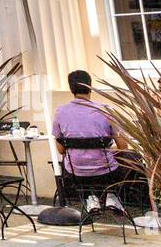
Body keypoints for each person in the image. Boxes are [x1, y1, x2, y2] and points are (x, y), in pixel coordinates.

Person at [51, 69, 130, 213]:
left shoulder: (60, 112)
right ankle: (112, 195)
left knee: (76, 162)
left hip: (77, 174)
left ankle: (90, 198)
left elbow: (61, 150)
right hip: (107, 174)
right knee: (127, 157)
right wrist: (106, 149)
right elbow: (123, 146)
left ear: (71, 88)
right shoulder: (105, 110)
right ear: (90, 86)